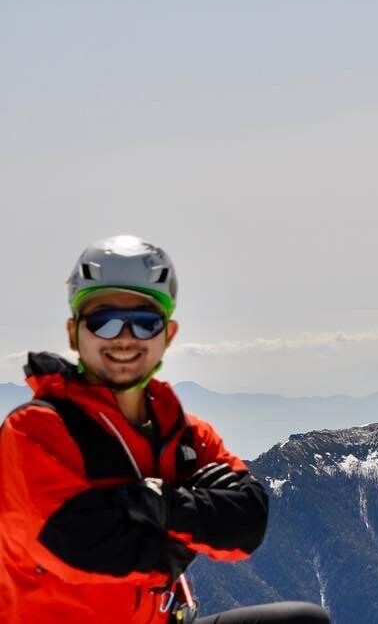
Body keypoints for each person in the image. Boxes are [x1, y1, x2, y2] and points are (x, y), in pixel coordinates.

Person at [0, 235, 329, 623]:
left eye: (145, 323)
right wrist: (188, 523)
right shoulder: (35, 431)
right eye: (104, 321)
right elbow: (80, 549)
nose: (125, 338)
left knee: (303, 620)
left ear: (168, 334)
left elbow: (246, 523)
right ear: (74, 332)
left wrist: (155, 503)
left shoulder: (186, 434)